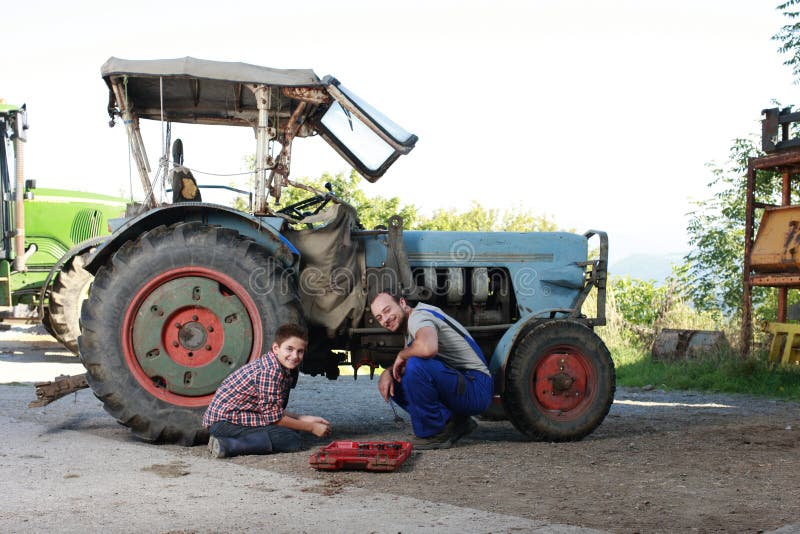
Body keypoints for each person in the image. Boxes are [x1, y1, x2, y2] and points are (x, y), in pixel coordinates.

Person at [370, 291, 493, 449]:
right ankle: (455, 422)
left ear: (402, 303)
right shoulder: (410, 325)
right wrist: (387, 372)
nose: (385, 319)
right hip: (466, 382)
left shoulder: (418, 318)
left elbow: (428, 349)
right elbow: (409, 360)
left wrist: (402, 354)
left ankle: (434, 433)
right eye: (379, 317)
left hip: (477, 387)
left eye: (387, 310)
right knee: (396, 378)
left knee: (415, 366)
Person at [203, 323, 332, 458]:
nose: (295, 356)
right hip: (224, 423)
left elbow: (271, 409)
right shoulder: (271, 371)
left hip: (235, 417)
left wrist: (303, 418)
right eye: (289, 349)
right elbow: (274, 418)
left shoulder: (278, 366)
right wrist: (311, 427)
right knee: (290, 439)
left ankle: (228, 441)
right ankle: (227, 445)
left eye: (300, 351)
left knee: (293, 428)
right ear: (276, 348)